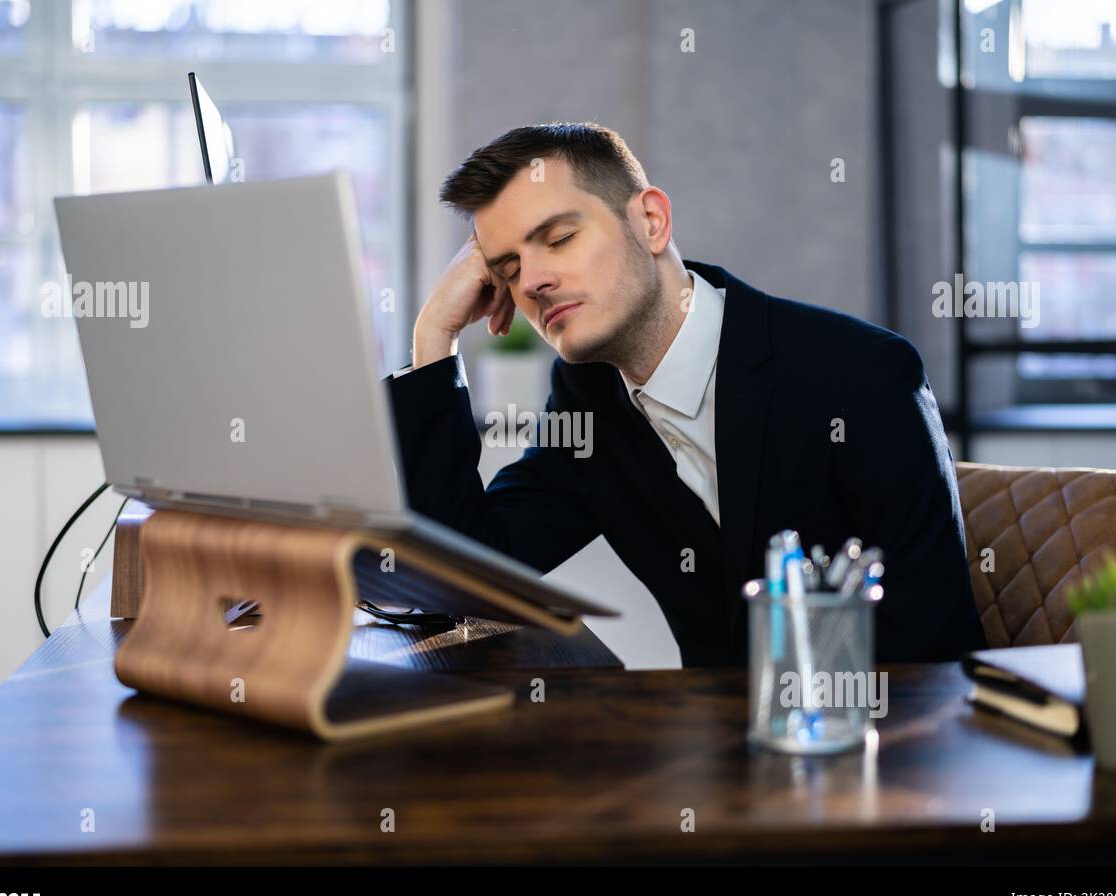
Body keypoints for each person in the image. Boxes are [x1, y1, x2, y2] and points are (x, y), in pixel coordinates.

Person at [386, 122, 984, 665]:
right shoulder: (588, 400)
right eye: (509, 270)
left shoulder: (861, 376)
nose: (534, 280)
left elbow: (933, 648)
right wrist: (432, 339)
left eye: (560, 237)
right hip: (712, 762)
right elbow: (473, 571)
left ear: (651, 221)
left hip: (875, 753)